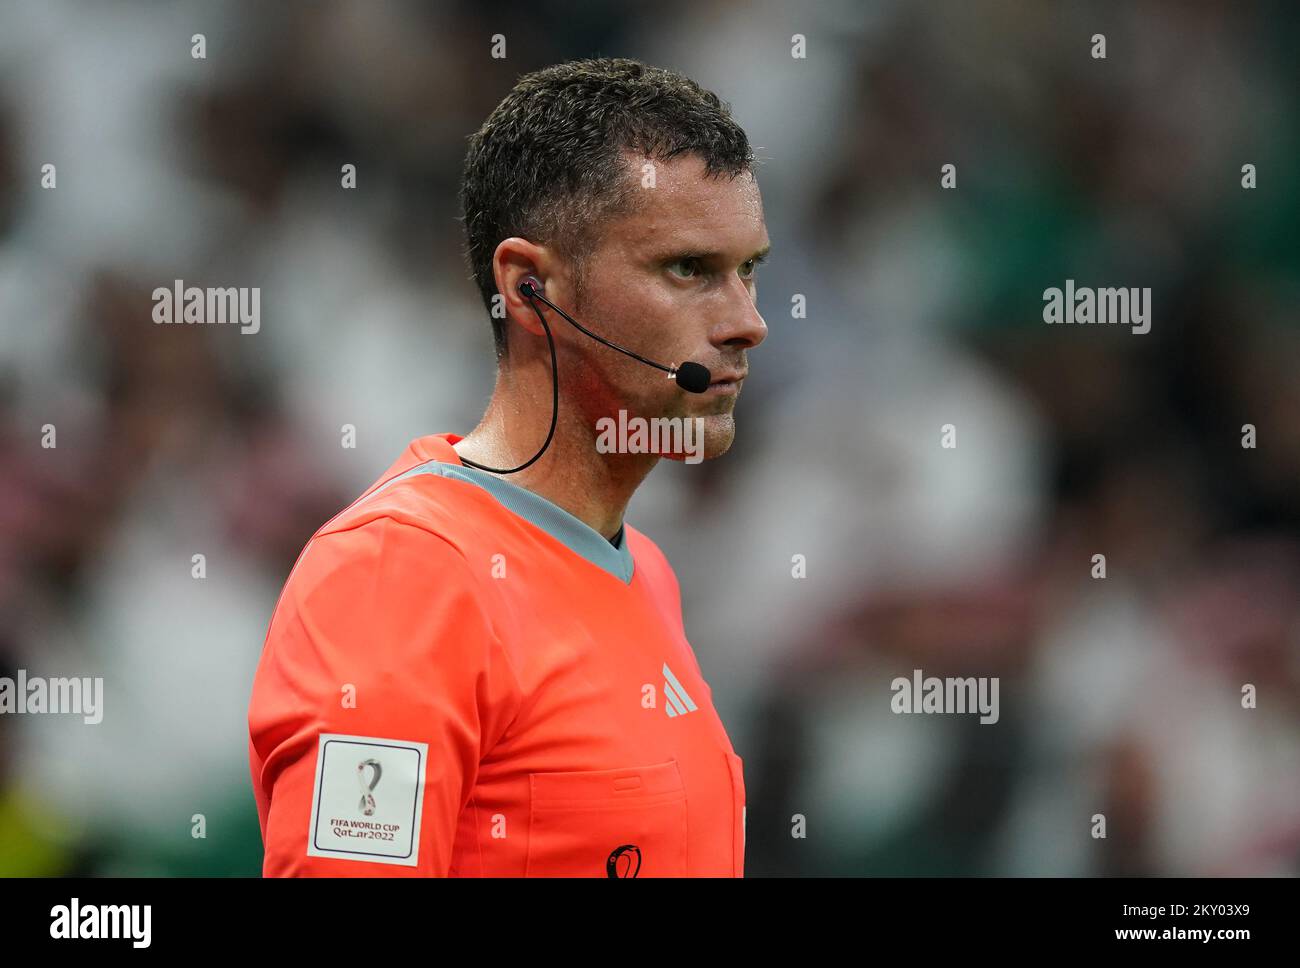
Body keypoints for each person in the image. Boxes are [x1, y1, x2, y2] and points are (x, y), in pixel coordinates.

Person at [247, 57, 769, 876]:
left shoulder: (646, 573)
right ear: (531, 291)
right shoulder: (401, 576)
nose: (748, 322)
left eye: (749, 271)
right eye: (688, 269)